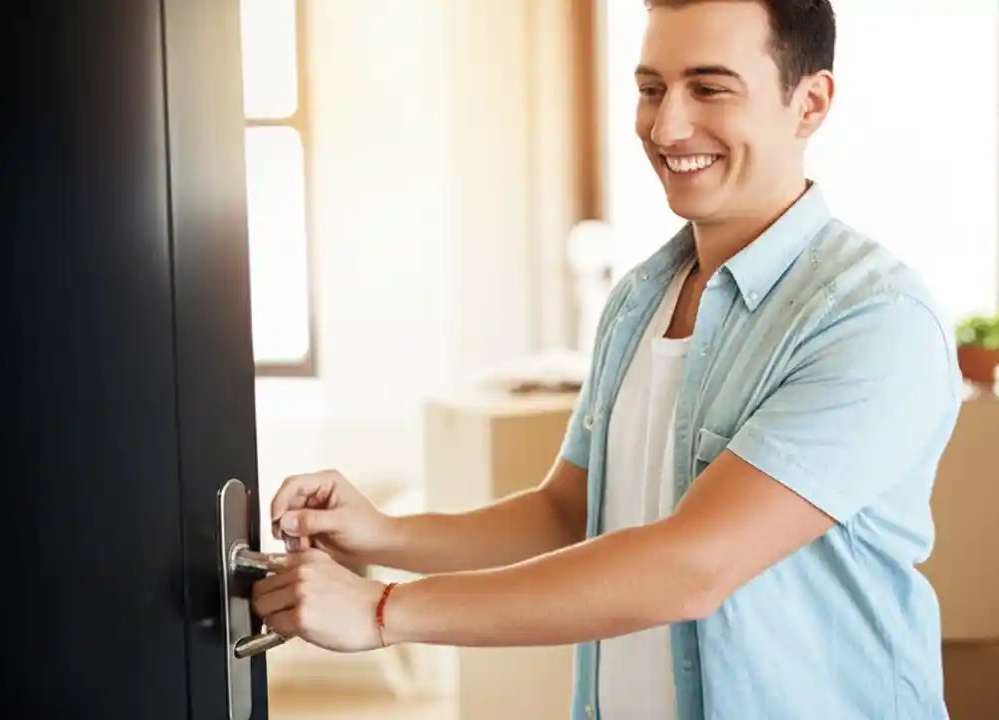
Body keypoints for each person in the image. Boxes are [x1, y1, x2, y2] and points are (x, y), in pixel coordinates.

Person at [250, 1, 962, 717]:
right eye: (652, 88)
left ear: (809, 103)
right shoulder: (640, 299)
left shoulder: (873, 320)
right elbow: (569, 511)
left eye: (709, 88)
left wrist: (383, 611)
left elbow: (693, 566)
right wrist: (386, 535)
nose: (666, 127)